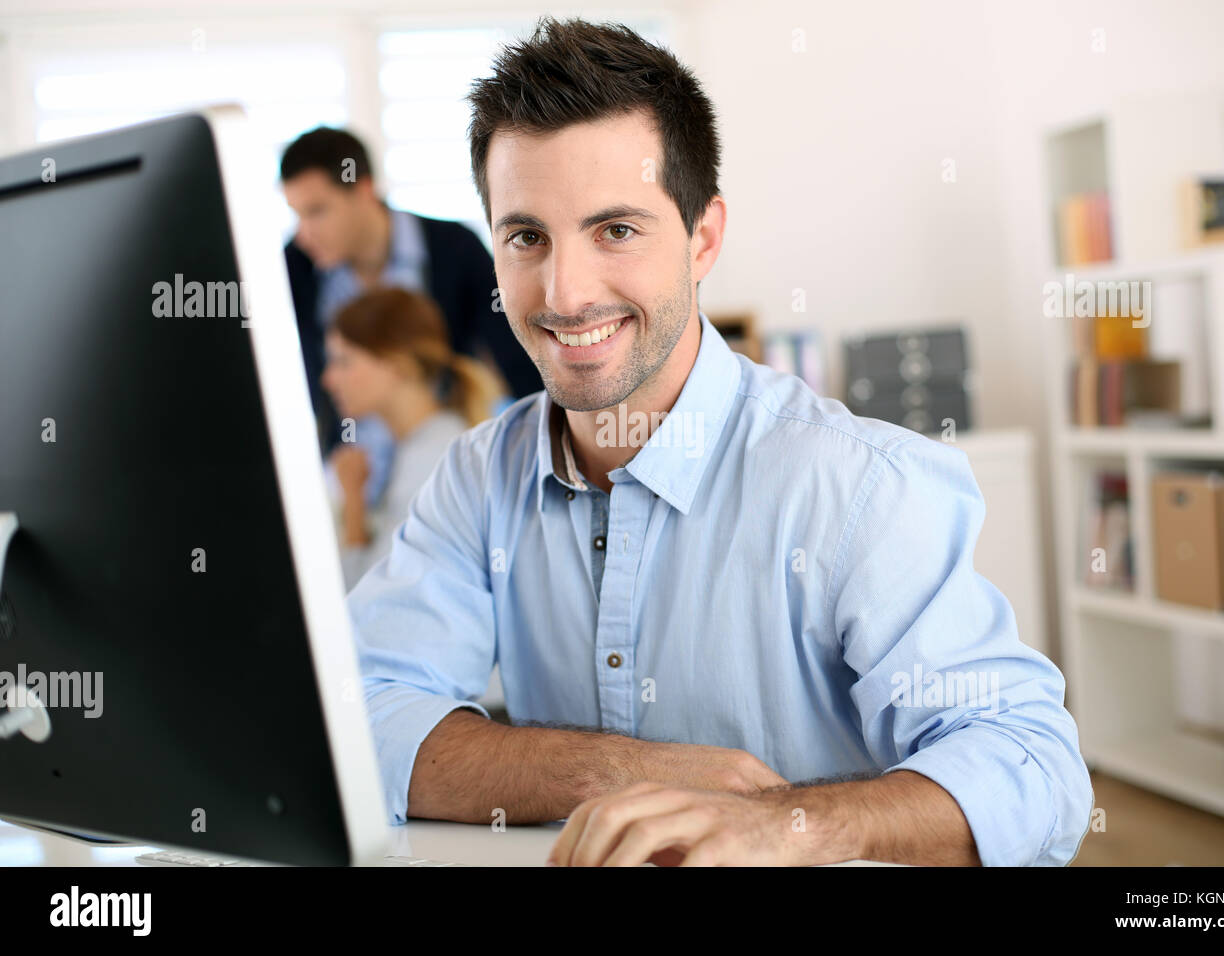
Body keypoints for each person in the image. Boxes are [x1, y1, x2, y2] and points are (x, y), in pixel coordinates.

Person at [347, 16, 1093, 866]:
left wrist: (783, 822)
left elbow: (1034, 770)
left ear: (702, 239)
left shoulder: (854, 485)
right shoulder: (480, 477)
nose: (564, 291)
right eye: (527, 237)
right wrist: (620, 775)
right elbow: (359, 711)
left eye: (616, 230)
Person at [280, 127, 543, 506]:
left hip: (439, 475)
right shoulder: (296, 269)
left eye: (316, 211)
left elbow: (518, 362)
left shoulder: (454, 249)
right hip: (353, 483)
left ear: (363, 189)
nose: (304, 234)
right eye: (296, 214)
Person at [321, 287, 500, 590]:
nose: (329, 378)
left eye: (344, 361)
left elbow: (372, 597)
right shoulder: (427, 444)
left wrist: (353, 501)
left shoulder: (431, 458)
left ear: (397, 365)